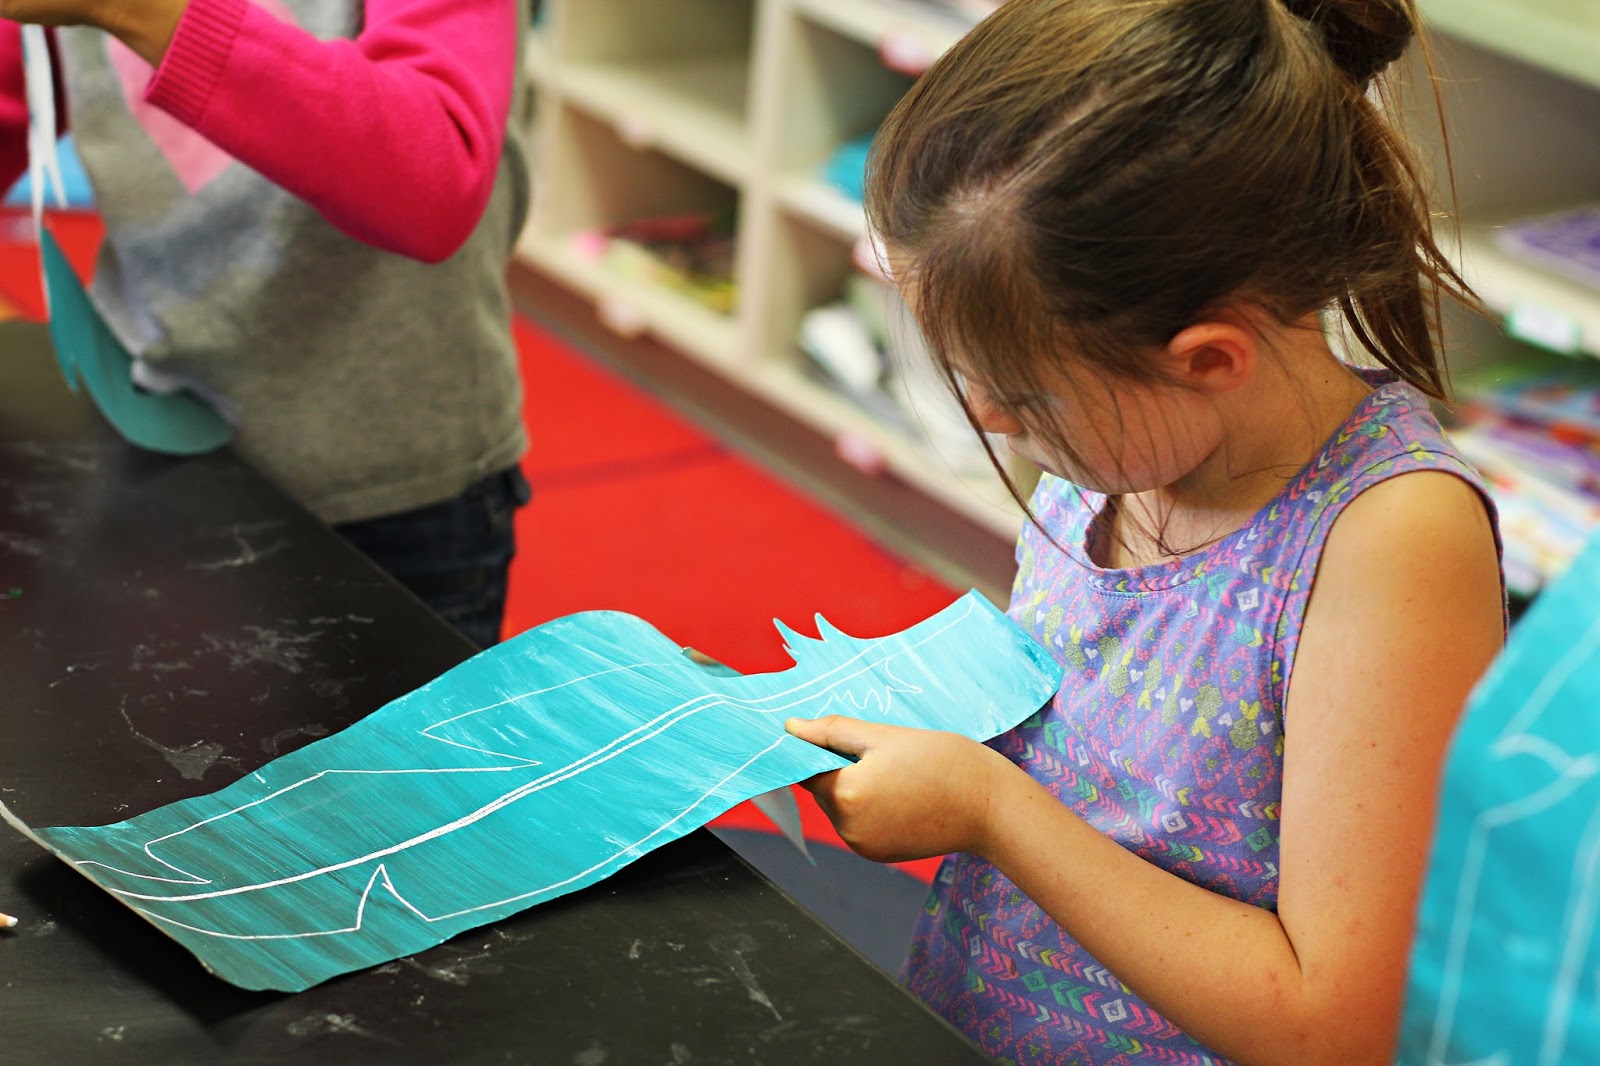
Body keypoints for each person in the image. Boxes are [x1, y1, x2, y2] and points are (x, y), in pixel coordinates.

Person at [782, 1, 1507, 1062]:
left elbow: (1331, 1024)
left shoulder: (1388, 541)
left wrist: (989, 810)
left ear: (1206, 359)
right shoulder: (1124, 446)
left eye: (1021, 392)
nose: (987, 416)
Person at [0, 0, 532, 648]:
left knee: (393, 750)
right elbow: (14, 81)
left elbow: (436, 175)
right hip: (147, 427)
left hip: (389, 494)